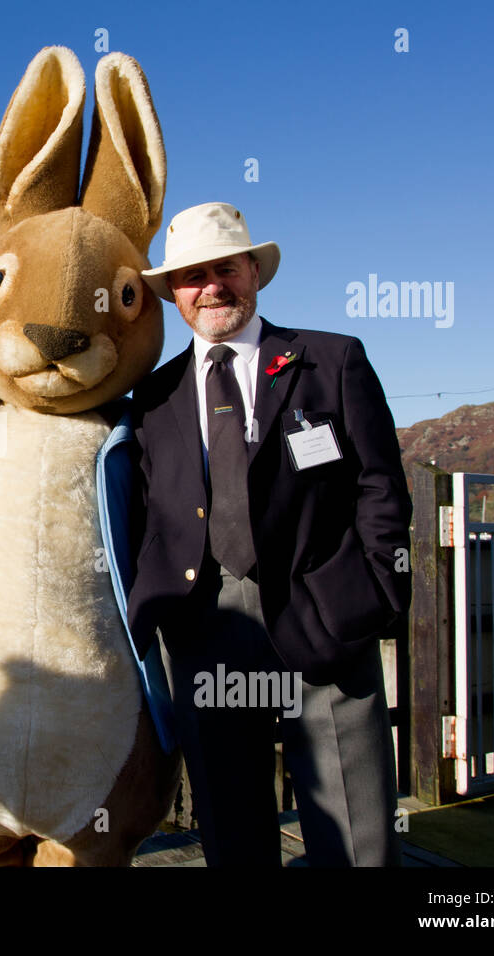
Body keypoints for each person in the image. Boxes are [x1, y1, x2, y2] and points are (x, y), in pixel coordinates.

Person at [127, 201, 411, 866]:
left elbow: (380, 487)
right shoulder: (154, 398)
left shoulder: (331, 361)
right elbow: (146, 514)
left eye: (226, 268)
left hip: (326, 614)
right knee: (233, 833)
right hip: (205, 627)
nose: (212, 287)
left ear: (254, 272)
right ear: (175, 295)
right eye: (193, 277)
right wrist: (156, 610)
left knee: (357, 840)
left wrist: (376, 592)